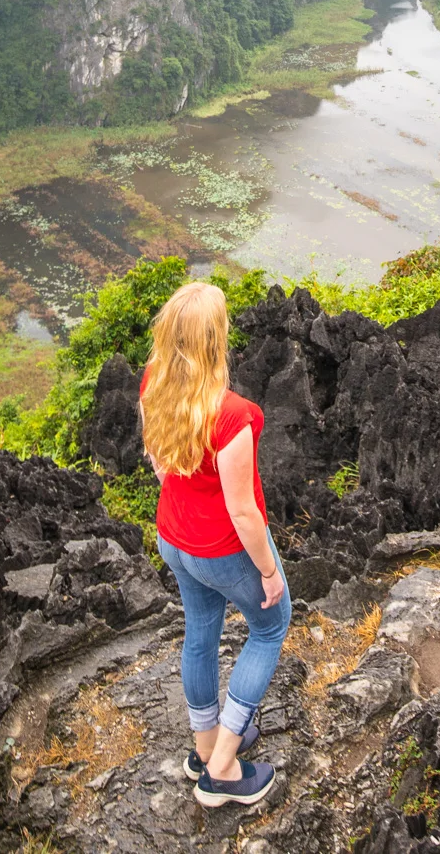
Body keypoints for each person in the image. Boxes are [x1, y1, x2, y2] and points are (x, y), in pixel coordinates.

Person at [139, 281, 290, 809]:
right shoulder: (232, 415)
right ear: (213, 340)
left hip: (174, 538)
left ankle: (205, 746)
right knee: (270, 627)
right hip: (221, 549)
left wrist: (187, 506)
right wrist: (269, 572)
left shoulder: (154, 383)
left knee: (200, 634)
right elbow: (244, 511)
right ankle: (223, 769)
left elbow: (158, 462)